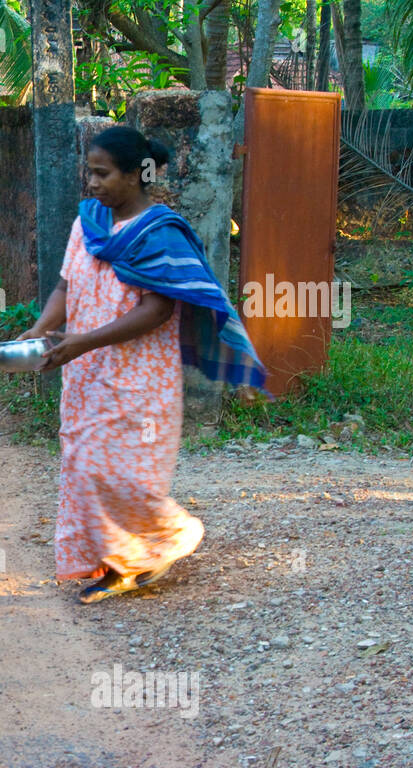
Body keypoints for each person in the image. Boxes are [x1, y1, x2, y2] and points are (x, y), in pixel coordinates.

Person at [17, 127, 266, 604]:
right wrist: (41, 328)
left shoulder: (159, 233)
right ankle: (120, 562)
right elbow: (66, 288)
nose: (92, 183)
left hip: (139, 379)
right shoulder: (86, 224)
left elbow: (157, 310)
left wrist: (84, 341)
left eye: (103, 173)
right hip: (86, 372)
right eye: (89, 172)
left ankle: (171, 538)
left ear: (135, 175)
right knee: (84, 466)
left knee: (126, 476)